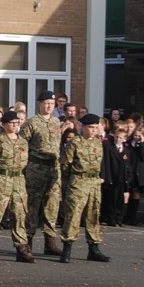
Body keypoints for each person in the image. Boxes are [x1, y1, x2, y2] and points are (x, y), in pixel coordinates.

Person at [59, 113, 111, 263]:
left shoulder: (97, 143)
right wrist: (70, 181)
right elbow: (64, 164)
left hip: (94, 182)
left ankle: (93, 248)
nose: (94, 130)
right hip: (79, 181)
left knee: (93, 215)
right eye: (91, 127)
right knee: (73, 215)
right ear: (83, 127)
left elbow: (100, 164)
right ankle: (67, 248)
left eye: (96, 127)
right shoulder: (75, 142)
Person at [0, 110, 34, 264]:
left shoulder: (23, 142)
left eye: (16, 123)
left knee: (19, 214)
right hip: (3, 179)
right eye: (11, 123)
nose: (14, 125)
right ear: (4, 125)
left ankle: (21, 247)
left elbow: (26, 162)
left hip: (18, 180)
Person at [20, 90, 64, 256]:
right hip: (36, 169)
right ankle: (27, 241)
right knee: (32, 206)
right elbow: (21, 145)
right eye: (46, 103)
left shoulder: (56, 122)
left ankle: (50, 242)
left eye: (51, 104)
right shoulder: (32, 123)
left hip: (53, 169)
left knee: (52, 205)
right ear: (39, 104)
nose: (49, 106)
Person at [100, 127, 133, 229]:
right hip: (112, 177)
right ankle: (111, 218)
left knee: (120, 200)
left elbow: (128, 166)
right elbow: (106, 163)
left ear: (124, 139)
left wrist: (128, 178)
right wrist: (106, 177)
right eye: (117, 137)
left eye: (120, 138)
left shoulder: (126, 151)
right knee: (111, 200)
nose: (118, 139)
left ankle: (119, 218)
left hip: (122, 179)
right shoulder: (109, 148)